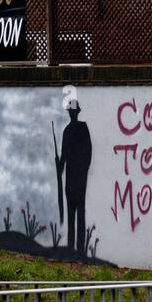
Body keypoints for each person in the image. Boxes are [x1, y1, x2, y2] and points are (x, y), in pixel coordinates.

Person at [57, 100, 92, 257]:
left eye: (72, 111)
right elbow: (64, 155)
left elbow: (88, 152)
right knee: (74, 212)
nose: (71, 114)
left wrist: (62, 166)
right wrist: (60, 165)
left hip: (76, 176)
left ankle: (77, 248)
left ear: (75, 112)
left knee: (78, 212)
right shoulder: (69, 130)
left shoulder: (77, 129)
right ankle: (74, 248)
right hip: (73, 176)